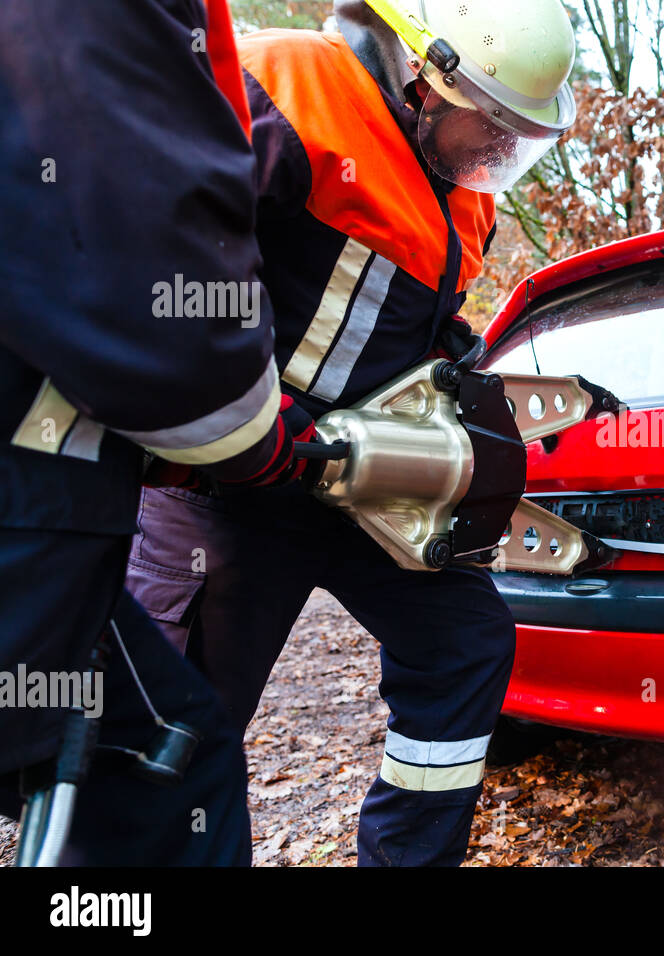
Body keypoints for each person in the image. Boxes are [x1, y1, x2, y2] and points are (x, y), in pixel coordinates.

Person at [126, 0, 577, 865]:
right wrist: (255, 423)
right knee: (177, 726)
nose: (497, 154)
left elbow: (407, 320)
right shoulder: (285, 86)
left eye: (517, 138)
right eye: (491, 127)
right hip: (232, 480)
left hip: (365, 486)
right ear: (424, 78)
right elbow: (160, 259)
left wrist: (461, 371)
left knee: (463, 644)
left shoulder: (464, 190)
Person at [0, 0, 314, 863]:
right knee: (171, 773)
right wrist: (264, 440)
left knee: (160, 756)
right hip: (32, 496)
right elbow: (164, 306)